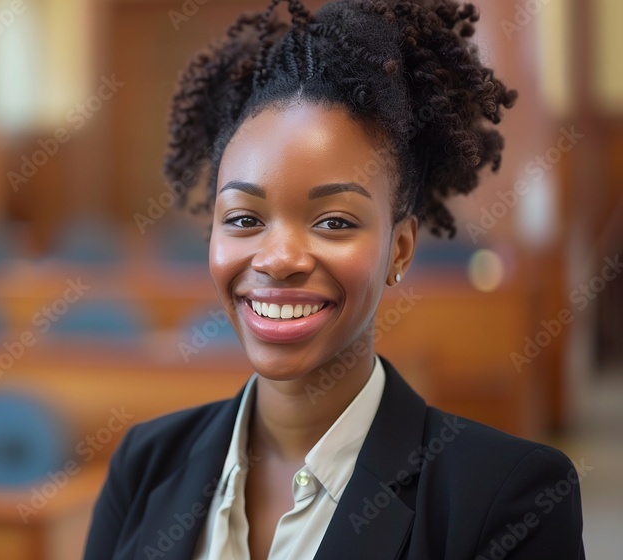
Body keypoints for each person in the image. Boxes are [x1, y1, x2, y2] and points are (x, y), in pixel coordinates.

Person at [82, 0, 585, 559]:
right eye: (244, 219)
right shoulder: (145, 464)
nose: (278, 259)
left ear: (399, 248)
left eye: (333, 222)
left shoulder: (507, 497)